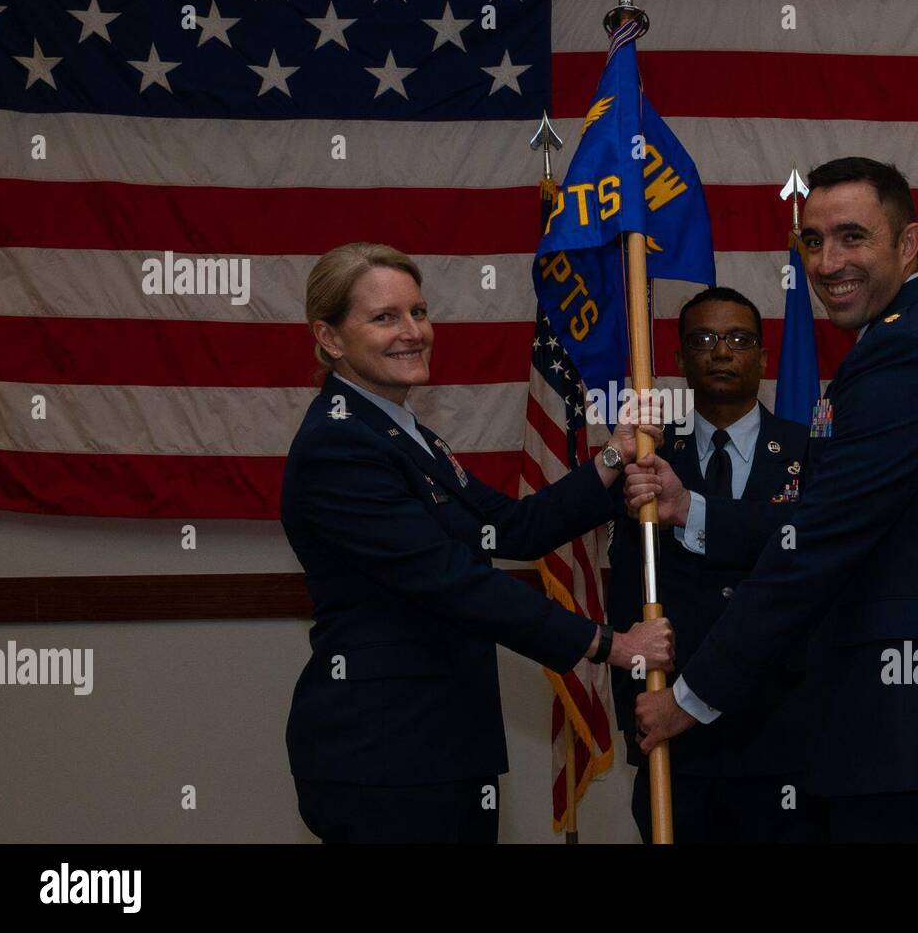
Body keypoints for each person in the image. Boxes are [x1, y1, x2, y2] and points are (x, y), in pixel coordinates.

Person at [629, 158, 918, 843]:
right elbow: (821, 519)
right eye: (813, 241)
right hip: (881, 732)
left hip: (900, 729)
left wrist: (689, 699)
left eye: (852, 237)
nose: (827, 261)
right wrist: (694, 510)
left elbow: (814, 549)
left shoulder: (909, 356)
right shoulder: (892, 344)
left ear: (908, 244)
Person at [281, 242, 672, 843]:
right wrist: (608, 645)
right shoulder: (340, 447)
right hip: (386, 755)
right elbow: (452, 582)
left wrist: (615, 455)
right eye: (384, 317)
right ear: (330, 338)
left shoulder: (403, 433)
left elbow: (510, 528)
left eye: (418, 312)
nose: (412, 332)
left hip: (444, 744)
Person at [608, 286, 814, 843]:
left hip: (783, 738)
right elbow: (627, 596)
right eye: (703, 339)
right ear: (677, 361)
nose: (721, 352)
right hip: (676, 742)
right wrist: (639, 714)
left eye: (739, 339)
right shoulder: (649, 462)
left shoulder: (812, 455)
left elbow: (820, 583)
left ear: (765, 359)